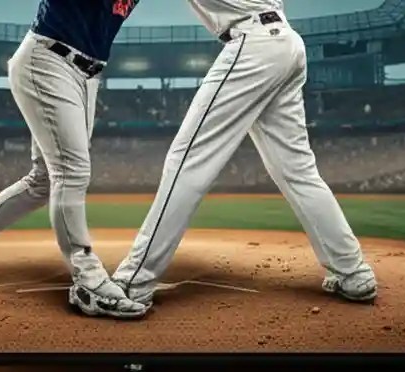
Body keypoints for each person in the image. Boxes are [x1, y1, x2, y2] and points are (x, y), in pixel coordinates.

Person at [96, 0, 377, 319]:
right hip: (285, 42)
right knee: (298, 170)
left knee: (187, 159)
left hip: (252, 43)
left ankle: (134, 281)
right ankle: (354, 273)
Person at [0, 0, 147, 318]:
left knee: (43, 180)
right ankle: (89, 282)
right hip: (49, 59)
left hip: (87, 76)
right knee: (71, 172)